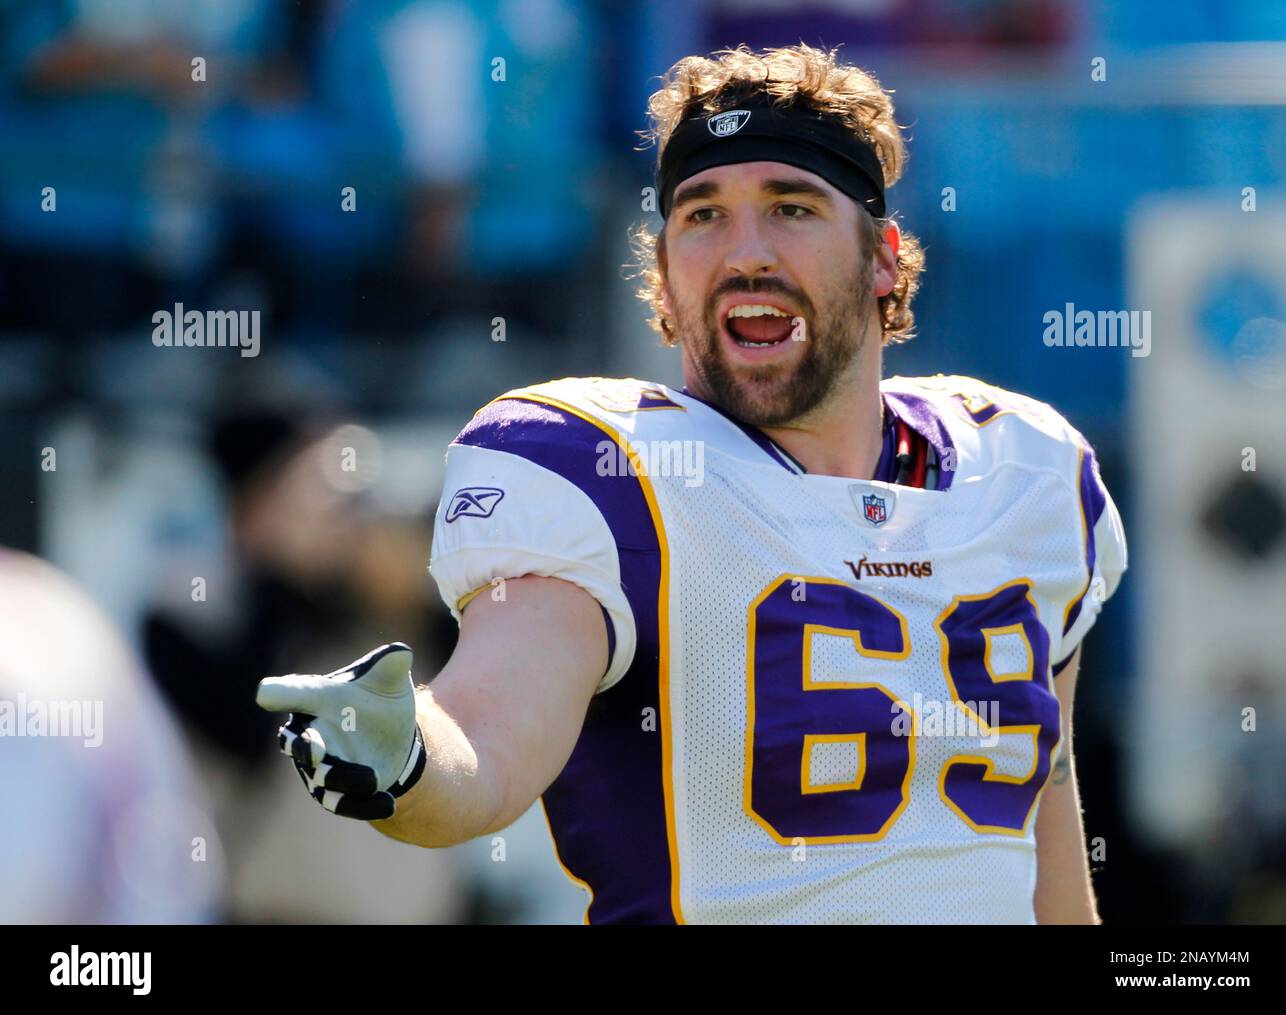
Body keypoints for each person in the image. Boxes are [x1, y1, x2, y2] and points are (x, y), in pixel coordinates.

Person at [256, 43, 1127, 924]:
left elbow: (1046, 849)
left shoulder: (1026, 469)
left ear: (882, 260)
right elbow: (487, 738)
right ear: (665, 278)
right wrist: (406, 757)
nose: (745, 252)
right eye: (703, 215)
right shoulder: (608, 470)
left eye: (792, 207)